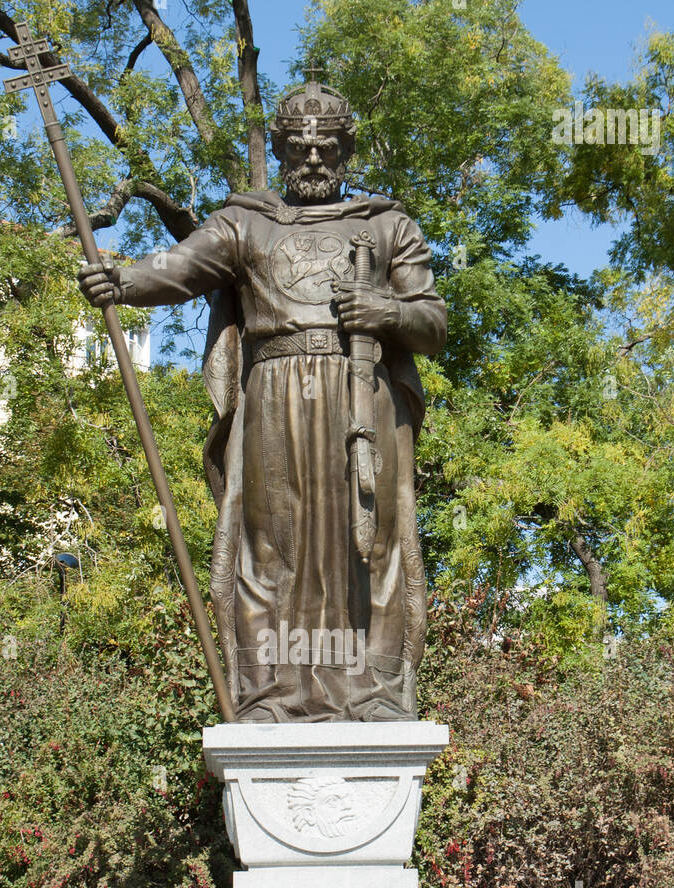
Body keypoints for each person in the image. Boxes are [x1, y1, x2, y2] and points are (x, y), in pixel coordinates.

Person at [79, 78, 447, 722]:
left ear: (346, 150)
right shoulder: (246, 223)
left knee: (371, 539)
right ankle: (269, 694)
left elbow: (433, 326)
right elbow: (178, 267)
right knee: (268, 540)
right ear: (278, 148)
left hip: (361, 394)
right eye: (299, 147)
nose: (312, 160)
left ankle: (374, 692)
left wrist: (384, 309)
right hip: (275, 394)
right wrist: (122, 279)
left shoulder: (389, 226)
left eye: (326, 147)